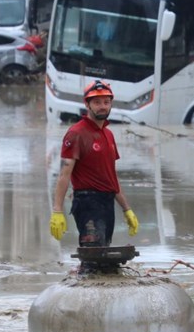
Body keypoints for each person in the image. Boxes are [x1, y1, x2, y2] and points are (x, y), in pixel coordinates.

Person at [50, 79, 138, 249]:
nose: (102, 106)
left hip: (107, 202)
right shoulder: (76, 133)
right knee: (93, 254)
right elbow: (64, 174)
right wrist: (57, 210)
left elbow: (111, 177)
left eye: (106, 102)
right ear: (87, 104)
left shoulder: (109, 135)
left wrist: (126, 209)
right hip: (87, 201)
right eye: (97, 102)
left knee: (103, 253)